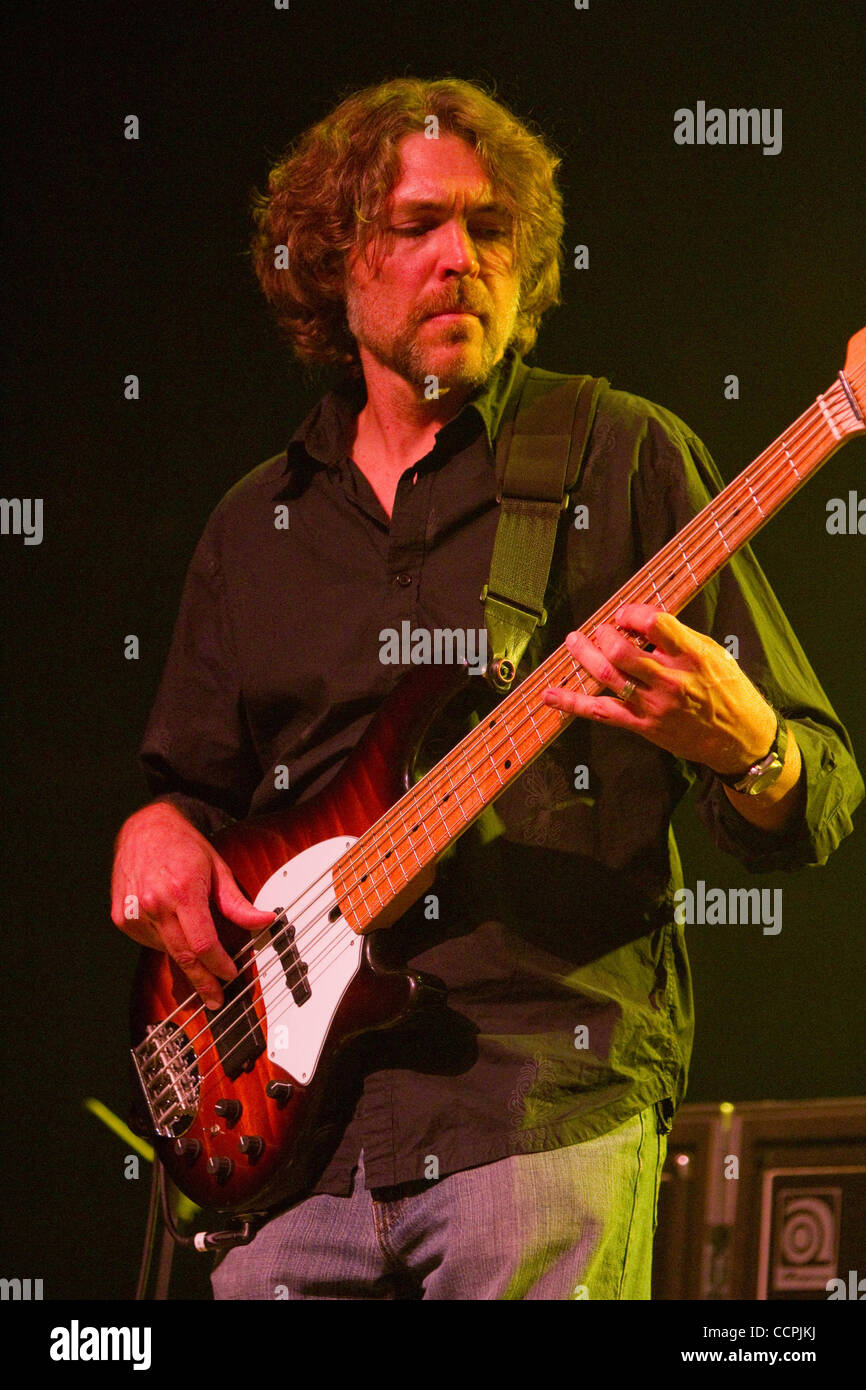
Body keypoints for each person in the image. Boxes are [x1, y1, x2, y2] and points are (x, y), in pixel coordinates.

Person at [111, 77, 862, 1300]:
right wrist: (152, 830)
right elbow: (190, 792)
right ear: (332, 264)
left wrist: (747, 746)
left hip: (534, 1111)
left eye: (490, 226)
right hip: (286, 1163)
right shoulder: (256, 523)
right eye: (416, 226)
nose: (459, 257)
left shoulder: (618, 453)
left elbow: (818, 792)